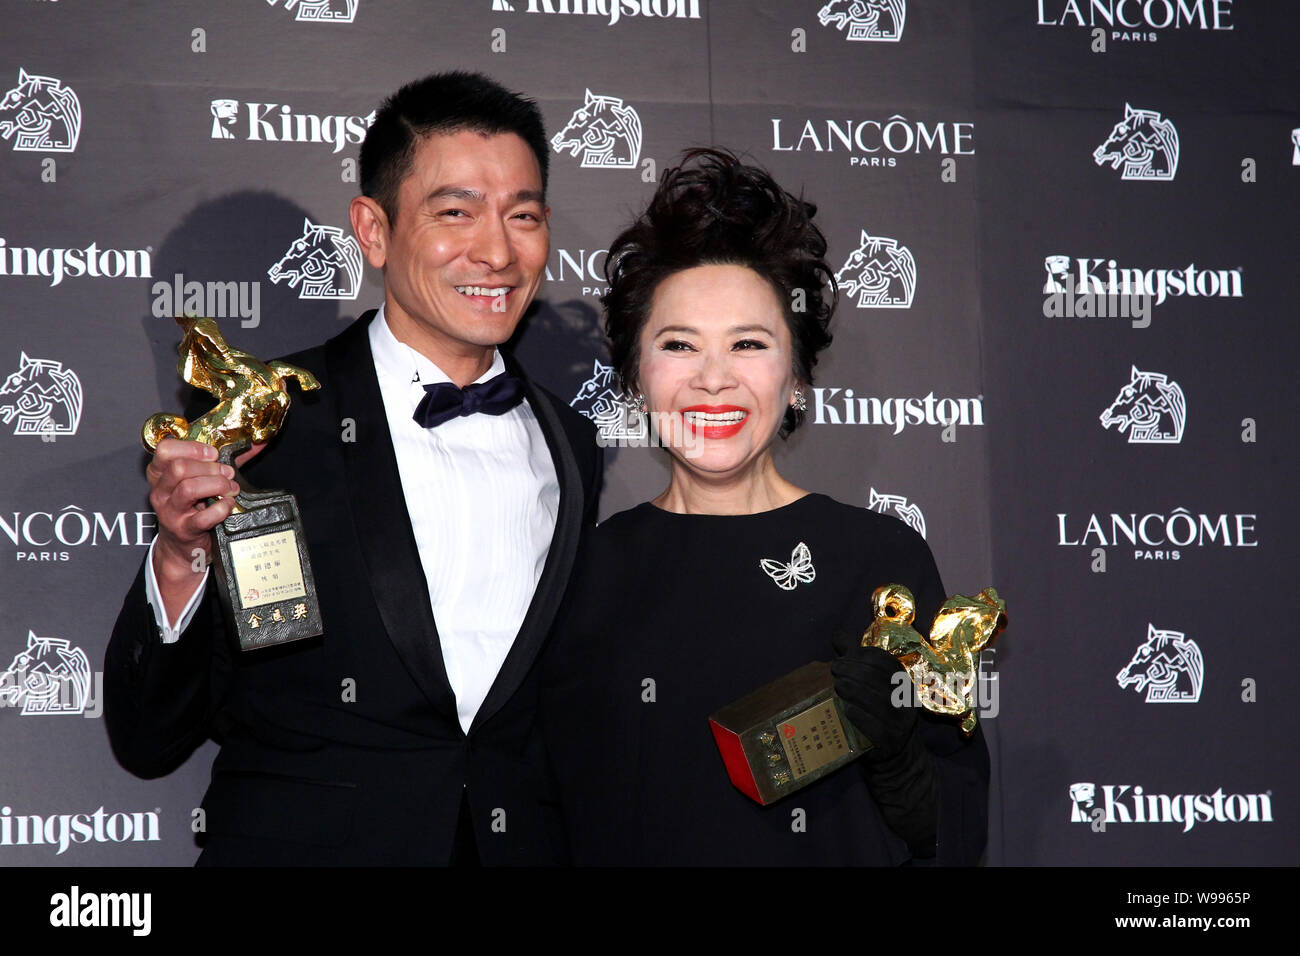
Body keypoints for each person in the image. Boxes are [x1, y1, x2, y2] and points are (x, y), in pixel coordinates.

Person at [104, 71, 601, 865]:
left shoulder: (571, 440)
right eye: (455, 212)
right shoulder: (270, 422)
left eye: (525, 215)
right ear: (373, 231)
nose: (499, 250)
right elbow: (149, 733)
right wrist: (178, 556)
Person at [538, 149, 988, 865]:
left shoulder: (880, 563)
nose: (713, 380)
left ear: (799, 377)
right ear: (634, 378)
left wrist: (900, 757)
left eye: (749, 344)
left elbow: (953, 826)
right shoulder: (580, 573)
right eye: (679, 344)